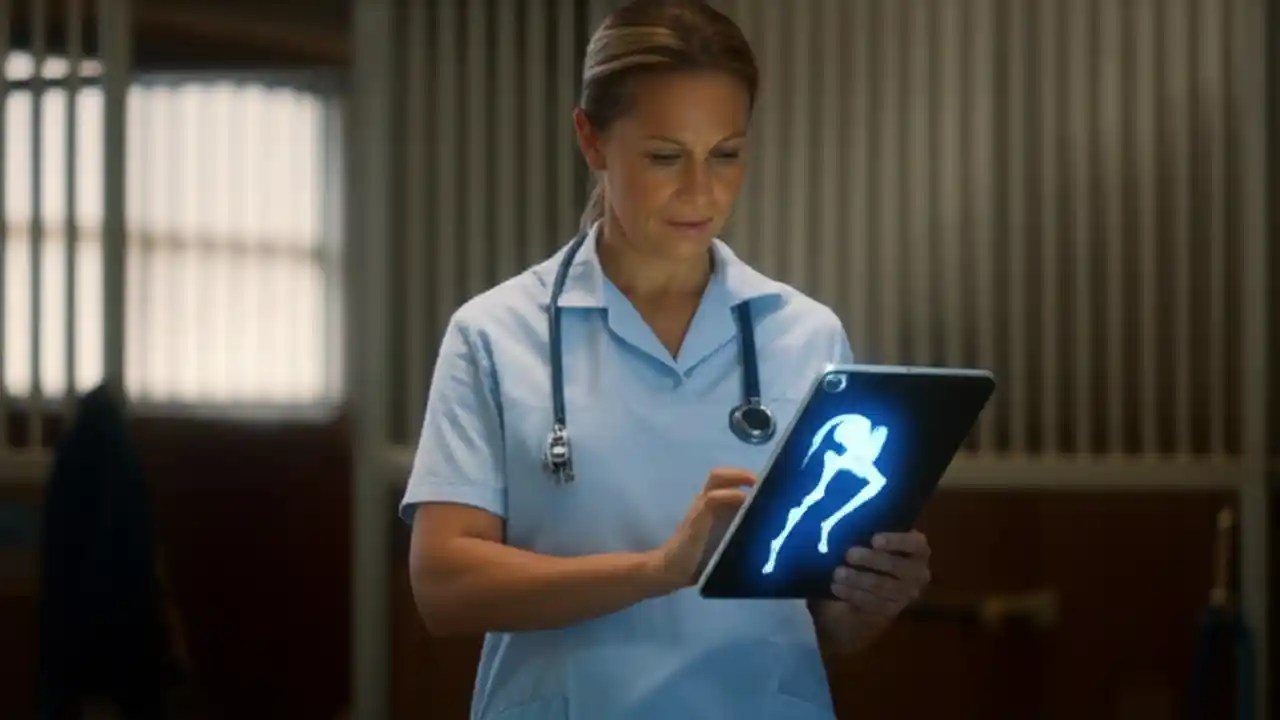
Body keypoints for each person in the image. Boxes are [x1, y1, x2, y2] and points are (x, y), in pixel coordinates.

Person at [400, 1, 932, 717]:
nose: (701, 191)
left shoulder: (805, 336)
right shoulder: (495, 335)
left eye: (726, 154)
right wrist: (656, 571)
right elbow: (442, 586)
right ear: (591, 140)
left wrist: (869, 601)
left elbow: (826, 625)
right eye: (664, 156)